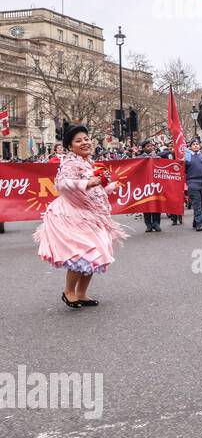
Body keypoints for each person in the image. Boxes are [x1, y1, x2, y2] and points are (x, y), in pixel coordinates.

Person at [34, 123, 128, 308]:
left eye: (86, 139)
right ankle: (69, 292)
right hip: (73, 214)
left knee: (96, 252)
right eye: (79, 140)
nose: (85, 142)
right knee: (82, 253)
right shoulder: (70, 162)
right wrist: (87, 183)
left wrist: (108, 186)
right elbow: (62, 184)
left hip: (91, 215)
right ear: (70, 146)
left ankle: (81, 293)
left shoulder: (89, 162)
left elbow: (95, 191)